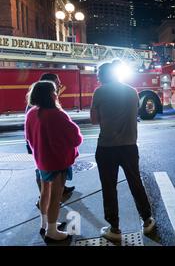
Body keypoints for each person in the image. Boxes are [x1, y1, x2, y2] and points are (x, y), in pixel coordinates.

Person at [91, 62, 155, 243]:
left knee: (109, 187)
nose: (97, 77)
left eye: (98, 74)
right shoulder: (132, 91)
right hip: (129, 146)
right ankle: (147, 219)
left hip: (107, 147)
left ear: (103, 75)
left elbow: (94, 120)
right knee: (136, 182)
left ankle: (114, 228)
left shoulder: (100, 92)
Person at [25, 81, 83, 242]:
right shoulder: (57, 114)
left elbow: (28, 137)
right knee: (56, 197)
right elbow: (76, 138)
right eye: (54, 91)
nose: (56, 93)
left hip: (42, 160)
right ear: (51, 95)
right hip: (58, 161)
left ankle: (45, 223)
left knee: (45, 193)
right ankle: (52, 231)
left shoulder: (31, 113)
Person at [26, 73, 75, 209]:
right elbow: (74, 136)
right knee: (43, 172)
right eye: (57, 83)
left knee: (43, 171)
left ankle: (55, 193)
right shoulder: (49, 109)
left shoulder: (35, 106)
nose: (59, 85)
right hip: (46, 149)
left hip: (38, 146)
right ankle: (46, 200)